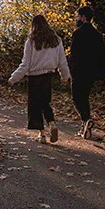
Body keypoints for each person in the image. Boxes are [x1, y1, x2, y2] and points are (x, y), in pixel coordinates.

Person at [8, 14, 71, 143]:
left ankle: (42, 134)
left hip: (34, 77)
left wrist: (13, 79)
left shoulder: (31, 41)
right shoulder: (56, 40)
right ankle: (52, 123)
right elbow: (62, 61)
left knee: (35, 105)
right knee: (45, 102)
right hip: (48, 76)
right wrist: (65, 77)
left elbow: (25, 64)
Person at [68, 5, 105, 139]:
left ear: (83, 17)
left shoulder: (78, 33)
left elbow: (73, 53)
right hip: (91, 72)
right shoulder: (98, 35)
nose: (76, 19)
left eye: (77, 16)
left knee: (76, 97)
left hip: (79, 70)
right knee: (84, 97)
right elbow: (102, 55)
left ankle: (86, 119)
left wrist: (69, 69)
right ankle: (85, 126)